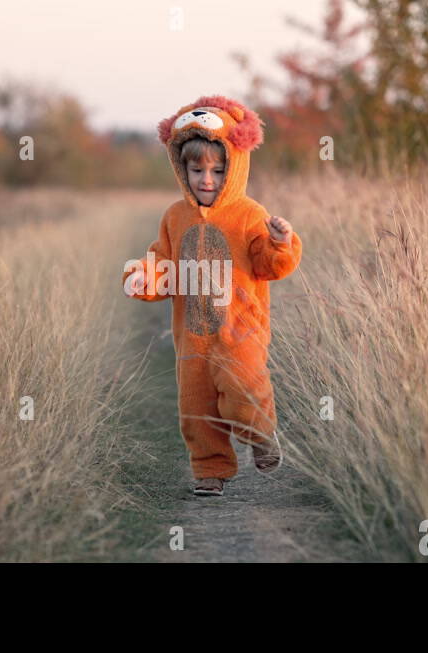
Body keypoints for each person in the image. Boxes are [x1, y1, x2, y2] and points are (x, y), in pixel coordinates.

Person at [122, 95, 302, 497]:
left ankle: (260, 435)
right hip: (193, 337)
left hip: (240, 330)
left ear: (233, 169)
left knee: (244, 390)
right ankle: (210, 472)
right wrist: (142, 278)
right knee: (197, 409)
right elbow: (162, 265)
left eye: (218, 170)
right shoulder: (174, 217)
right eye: (197, 169)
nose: (207, 179)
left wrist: (280, 242)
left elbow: (269, 265)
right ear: (181, 169)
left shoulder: (249, 214)